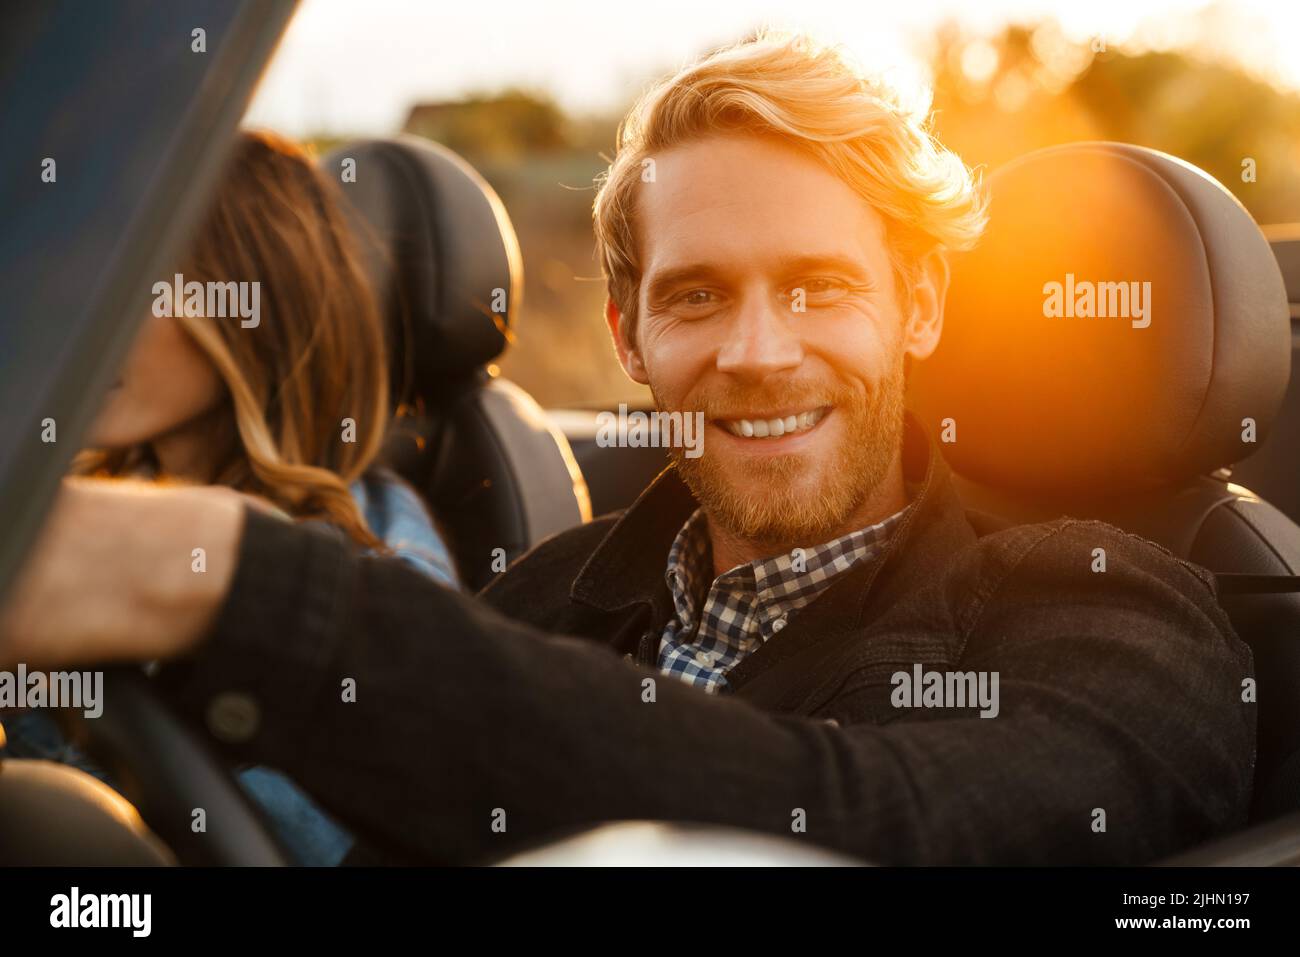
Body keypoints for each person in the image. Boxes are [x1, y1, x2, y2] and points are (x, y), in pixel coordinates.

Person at [0, 34, 1253, 865]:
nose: (758, 352)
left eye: (818, 287)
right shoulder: (550, 593)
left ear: (917, 308)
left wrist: (231, 577)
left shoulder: (1103, 602)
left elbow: (878, 825)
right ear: (628, 332)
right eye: (697, 296)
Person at [0, 130, 457, 865]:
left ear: (256, 310)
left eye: (143, 282)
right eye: (87, 280)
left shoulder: (374, 563)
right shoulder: (79, 498)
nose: (94, 322)